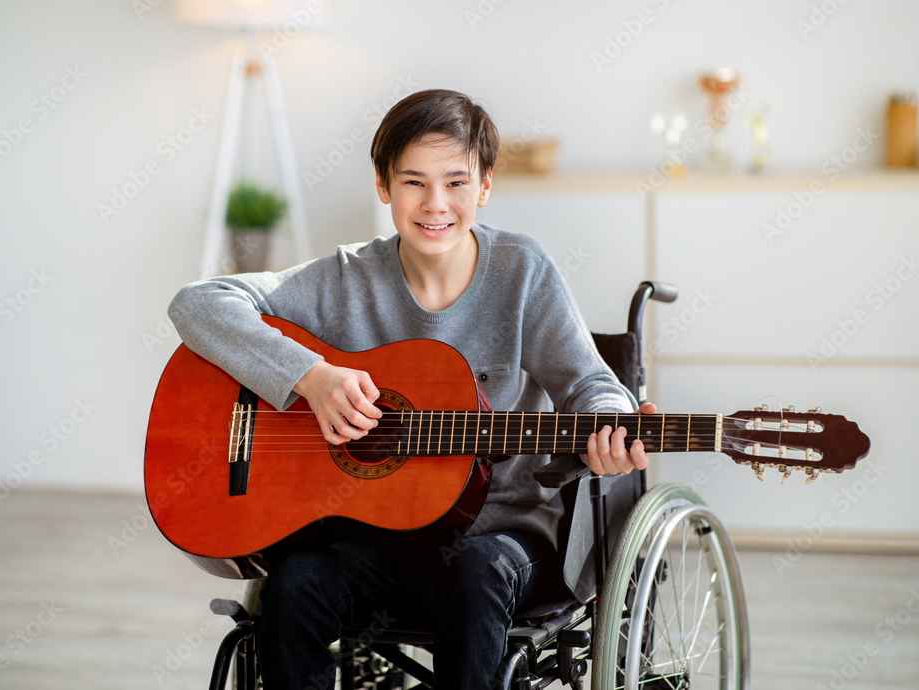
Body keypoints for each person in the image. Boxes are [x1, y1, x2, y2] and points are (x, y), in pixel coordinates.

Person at [168, 88, 653, 689]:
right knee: (293, 584)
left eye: (455, 182)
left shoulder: (521, 271)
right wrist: (310, 378)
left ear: (484, 186)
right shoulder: (347, 278)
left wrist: (610, 423)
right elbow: (198, 303)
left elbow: (589, 384)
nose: (435, 204)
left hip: (500, 537)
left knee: (476, 574)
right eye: (413, 182)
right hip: (374, 536)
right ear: (383, 186)